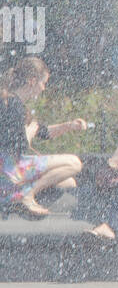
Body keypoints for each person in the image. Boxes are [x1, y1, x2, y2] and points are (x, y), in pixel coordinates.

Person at [0, 57, 85, 218]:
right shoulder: (12, 106)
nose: (44, 88)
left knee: (67, 181)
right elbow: (19, 145)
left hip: (10, 169)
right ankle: (26, 195)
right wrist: (30, 131)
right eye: (43, 83)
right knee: (73, 163)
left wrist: (69, 125)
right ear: (32, 81)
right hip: (8, 171)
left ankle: (18, 199)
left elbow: (43, 131)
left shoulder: (14, 103)